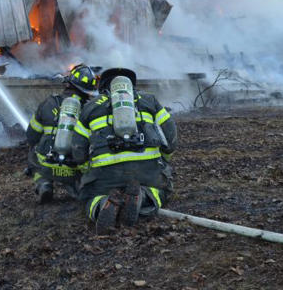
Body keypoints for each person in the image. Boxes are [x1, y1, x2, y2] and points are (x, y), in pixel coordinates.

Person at [71, 67, 176, 233]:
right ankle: (143, 197)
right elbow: (170, 135)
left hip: (106, 176)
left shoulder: (90, 107)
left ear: (103, 87)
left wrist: (87, 171)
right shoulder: (149, 100)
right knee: (162, 190)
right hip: (147, 172)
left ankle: (101, 205)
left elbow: (77, 149)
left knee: (87, 197)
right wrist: (164, 159)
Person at [25, 63, 97, 203]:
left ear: (68, 83)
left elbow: (31, 136)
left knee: (33, 151)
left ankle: (44, 183)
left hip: (47, 163)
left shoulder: (49, 103)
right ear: (87, 91)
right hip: (74, 167)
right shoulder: (89, 109)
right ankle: (79, 186)